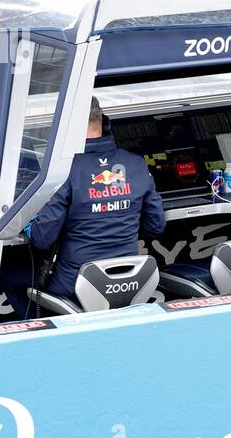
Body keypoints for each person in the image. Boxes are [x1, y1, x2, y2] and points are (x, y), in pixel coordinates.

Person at [21, 97, 166, 309]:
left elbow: (42, 238)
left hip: (76, 284)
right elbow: (156, 227)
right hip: (130, 280)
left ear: (67, 128)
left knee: (10, 277)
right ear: (104, 123)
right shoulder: (136, 163)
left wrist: (28, 221)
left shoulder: (65, 170)